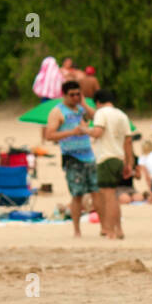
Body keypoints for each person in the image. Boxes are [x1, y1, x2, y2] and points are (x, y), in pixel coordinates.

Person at [44, 80, 98, 238]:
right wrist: (72, 132)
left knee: (96, 192)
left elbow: (96, 117)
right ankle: (77, 230)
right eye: (72, 95)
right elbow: (49, 135)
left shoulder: (82, 108)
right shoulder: (57, 112)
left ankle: (104, 227)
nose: (75, 97)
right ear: (64, 95)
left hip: (89, 154)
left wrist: (84, 103)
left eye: (78, 94)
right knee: (77, 194)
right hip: (72, 156)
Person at [89, 89, 134, 237]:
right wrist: (129, 163)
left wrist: (83, 130)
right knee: (113, 195)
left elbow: (97, 132)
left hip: (106, 158)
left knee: (108, 197)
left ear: (98, 102)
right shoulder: (122, 115)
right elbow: (128, 141)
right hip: (119, 158)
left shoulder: (101, 113)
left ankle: (111, 231)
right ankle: (119, 229)